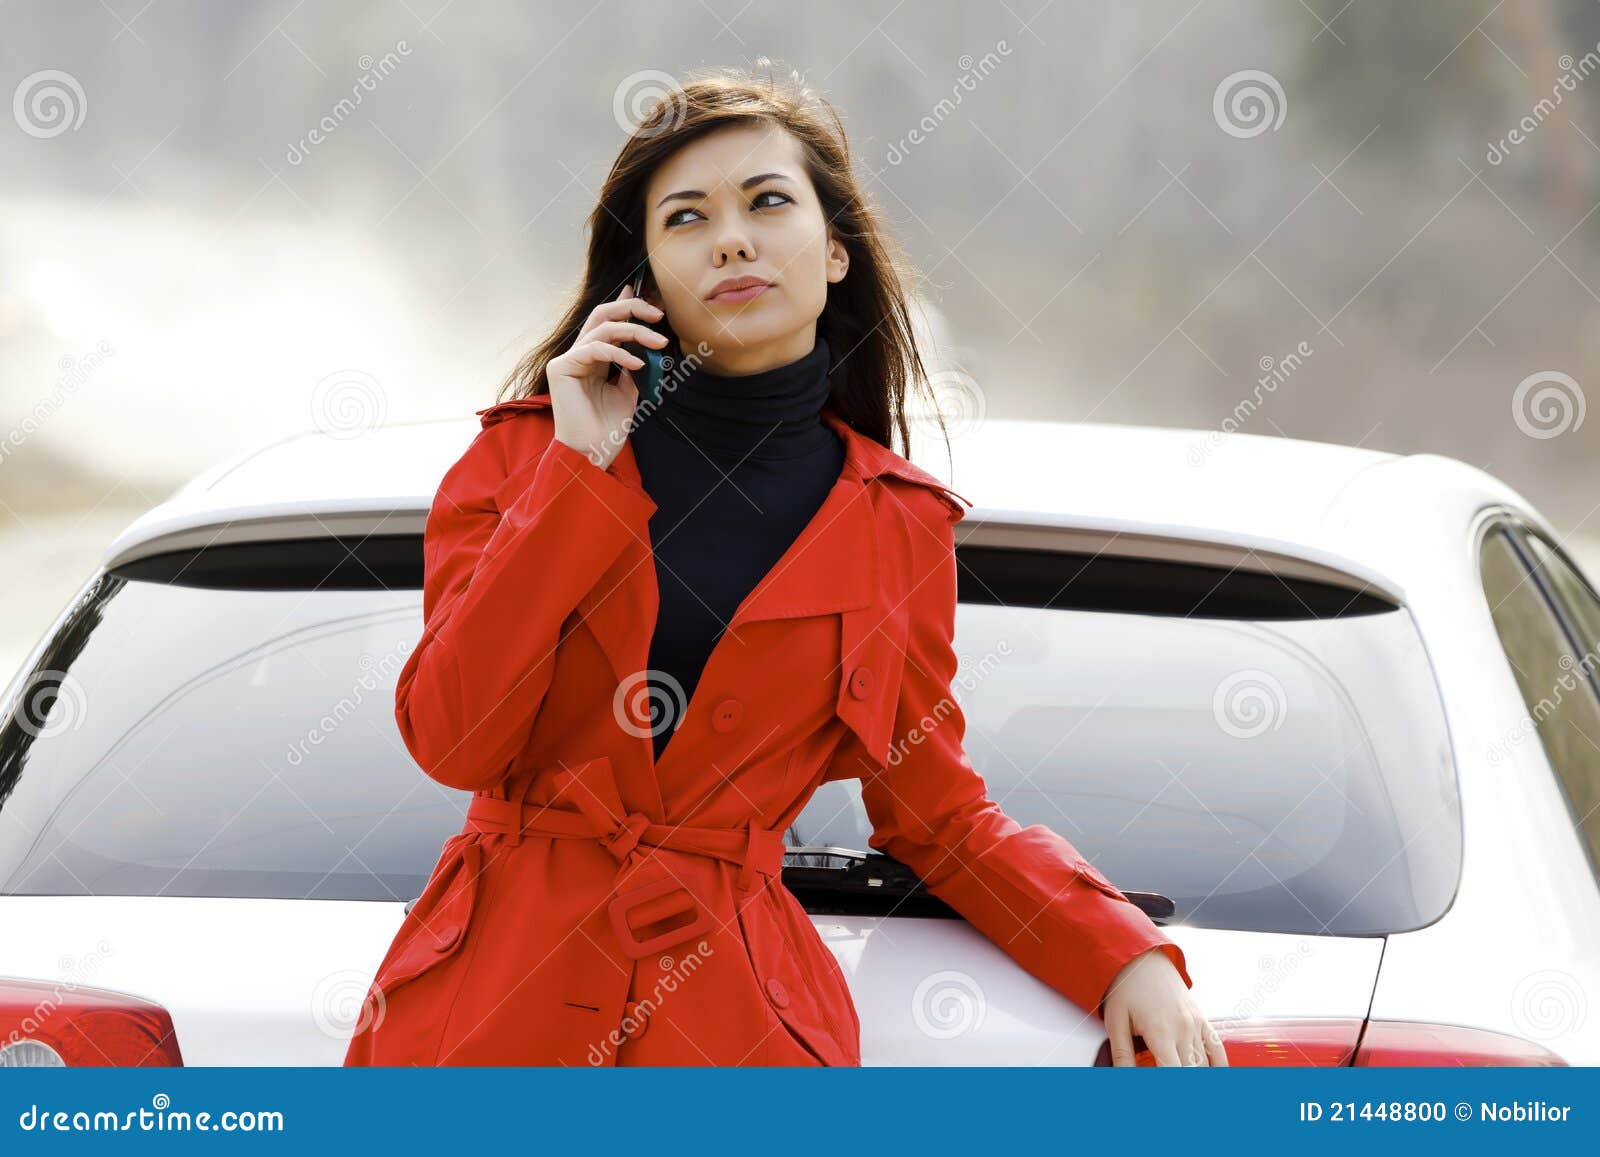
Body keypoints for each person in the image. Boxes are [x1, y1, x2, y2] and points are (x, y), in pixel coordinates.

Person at [344, 61, 1226, 1068]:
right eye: (686, 218)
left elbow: (936, 814)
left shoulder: (897, 523)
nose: (731, 238)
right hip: (484, 1013)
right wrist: (576, 472)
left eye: (767, 202)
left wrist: (1121, 952)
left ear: (836, 251)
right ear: (644, 281)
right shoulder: (523, 457)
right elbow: (453, 738)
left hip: (737, 1029)